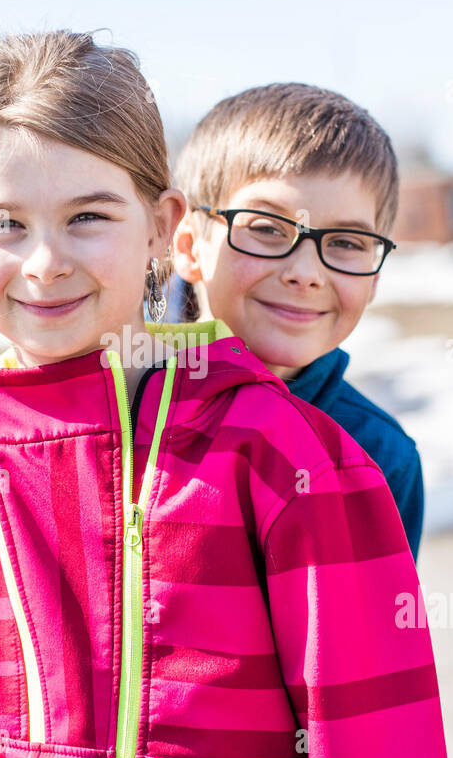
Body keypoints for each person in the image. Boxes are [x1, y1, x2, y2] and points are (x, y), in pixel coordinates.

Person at [0, 31, 449, 758]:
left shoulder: (296, 456)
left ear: (161, 229)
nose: (46, 262)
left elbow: (366, 728)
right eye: (4, 223)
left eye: (88, 217)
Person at [168, 83, 425, 563]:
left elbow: (371, 637)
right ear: (187, 247)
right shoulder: (120, 412)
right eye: (266, 228)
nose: (305, 274)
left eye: (348, 242)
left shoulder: (381, 458)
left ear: (375, 277)